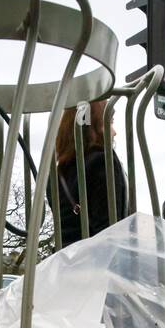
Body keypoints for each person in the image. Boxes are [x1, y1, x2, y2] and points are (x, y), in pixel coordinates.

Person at [56, 99, 129, 246]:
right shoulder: (103, 162)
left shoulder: (57, 173)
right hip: (96, 264)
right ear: (93, 126)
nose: (115, 132)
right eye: (110, 122)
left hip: (64, 262)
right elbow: (109, 234)